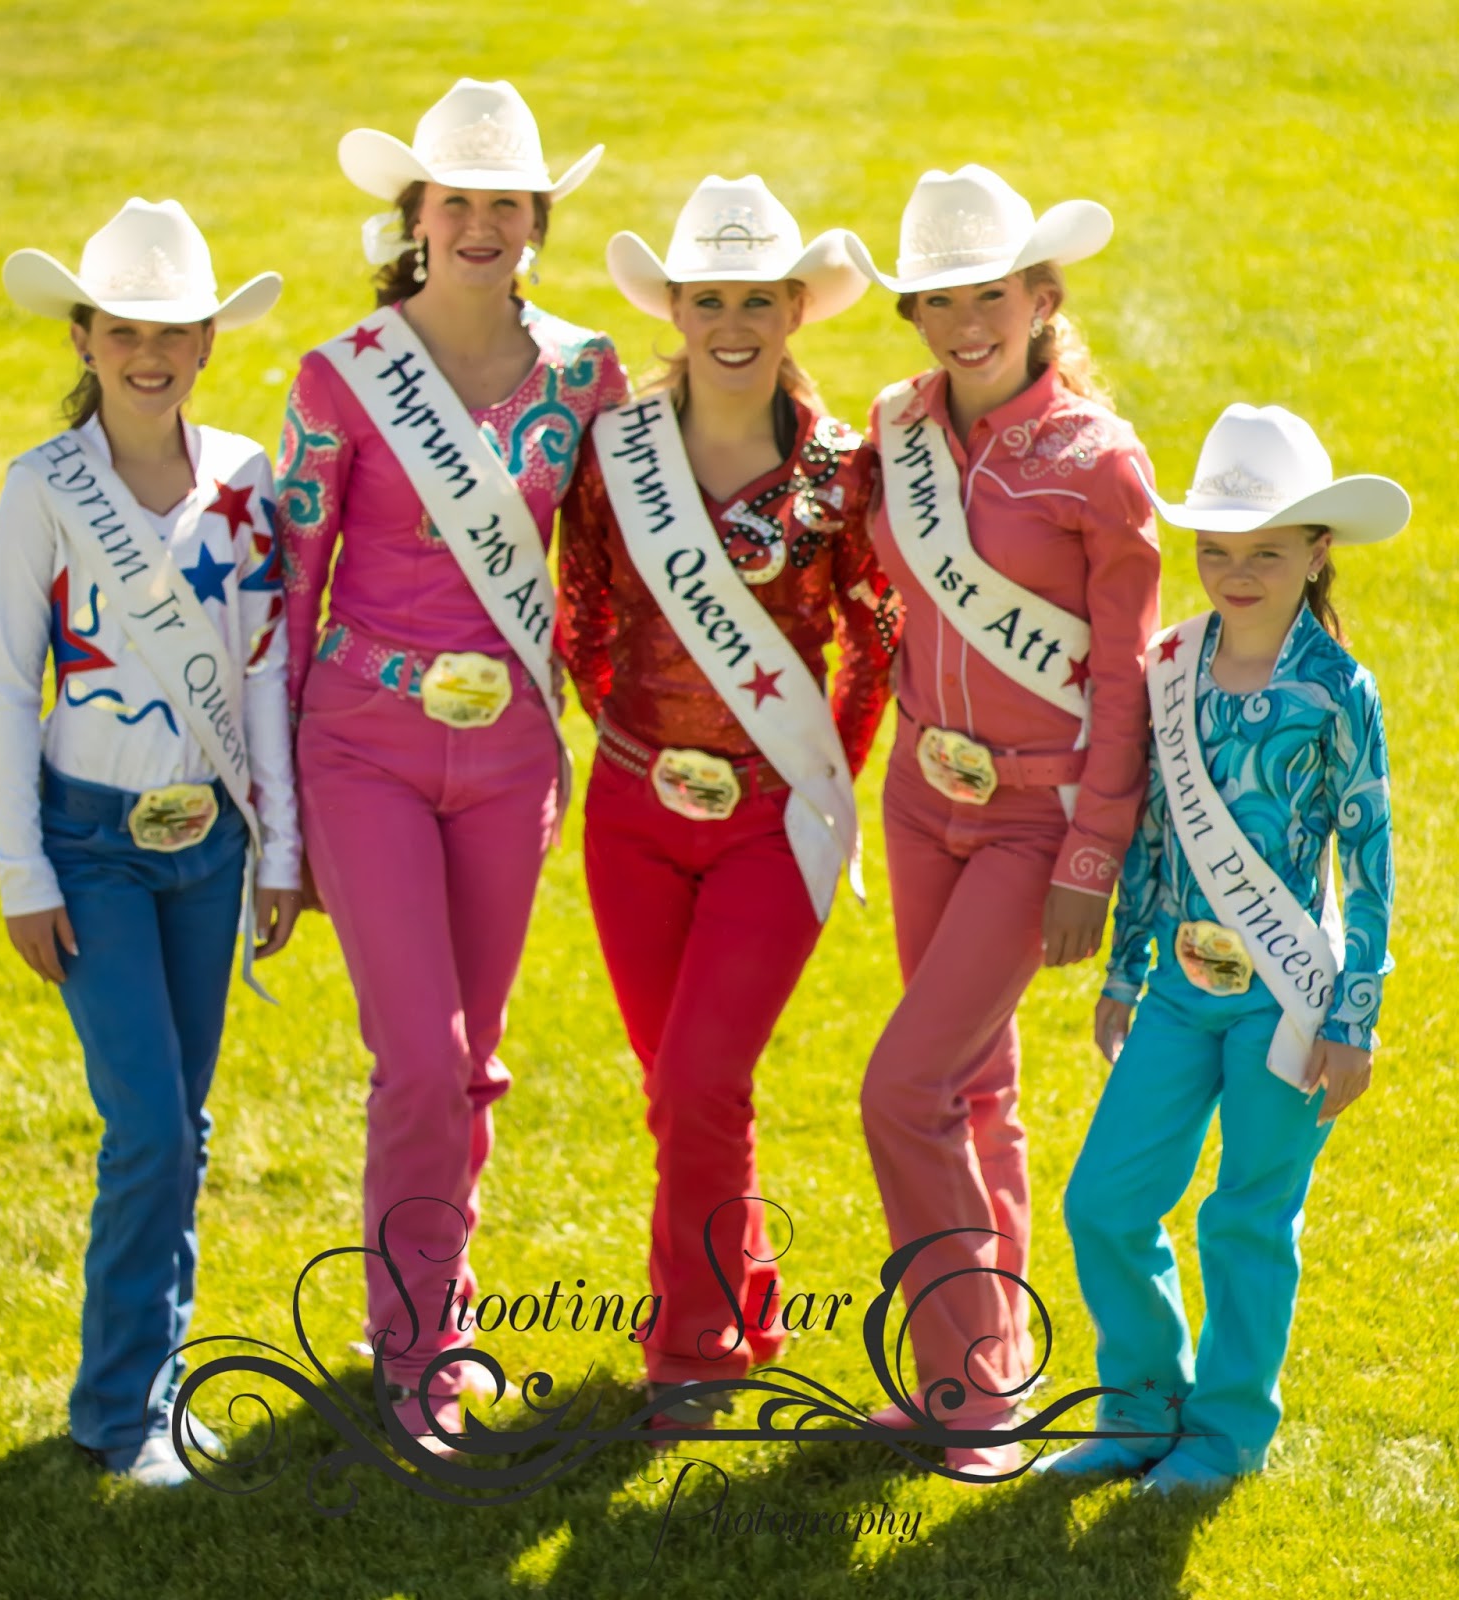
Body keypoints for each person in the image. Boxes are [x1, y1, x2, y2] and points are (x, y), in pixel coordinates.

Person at [280, 79, 625, 1447]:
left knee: (470, 1059)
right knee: (418, 1058)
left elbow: (625, 561)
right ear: (412, 217)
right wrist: (278, 813)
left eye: (503, 202)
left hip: (508, 765)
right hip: (359, 746)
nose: (479, 224)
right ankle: (411, 1341)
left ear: (535, 219)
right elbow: (287, 592)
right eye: (454, 200)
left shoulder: (585, 375)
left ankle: (433, 1315)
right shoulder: (337, 374)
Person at [557, 175, 901, 1428]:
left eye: (758, 297)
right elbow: (585, 614)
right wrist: (647, 743)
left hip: (774, 822)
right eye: (710, 298)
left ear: (797, 307)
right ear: (678, 309)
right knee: (678, 1086)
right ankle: (742, 1287)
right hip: (633, 814)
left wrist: (817, 774)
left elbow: (874, 639)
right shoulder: (616, 458)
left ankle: (691, 1351)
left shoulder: (836, 473)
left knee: (702, 1074)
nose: (734, 320)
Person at [843, 166, 1162, 1473]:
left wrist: (1092, 855)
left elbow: (1122, 677)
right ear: (913, 310)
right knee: (969, 1086)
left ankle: (974, 1395)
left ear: (1040, 296)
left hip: (1038, 823)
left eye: (993, 294)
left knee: (901, 1089)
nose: (967, 320)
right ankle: (987, 1360)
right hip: (922, 799)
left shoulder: (1100, 462)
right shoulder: (893, 429)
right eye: (942, 299)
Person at [1036, 404, 1408, 1493]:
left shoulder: (1339, 691)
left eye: (1262, 552)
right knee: (1103, 1199)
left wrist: (1352, 1015)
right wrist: (1120, 967)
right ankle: (1138, 1409)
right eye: (1213, 550)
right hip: (1178, 988)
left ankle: (1226, 1432)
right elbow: (1155, 828)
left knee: (1247, 1212)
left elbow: (1370, 859)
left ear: (1313, 553)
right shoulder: (1171, 666)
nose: (1232, 572)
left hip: (1288, 997)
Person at [0, 199, 300, 1486]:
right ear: (84, 335)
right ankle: (117, 1412)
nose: (150, 352)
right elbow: (11, 684)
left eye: (175, 329)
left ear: (211, 341)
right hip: (92, 844)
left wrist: (277, 846)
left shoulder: (246, 478)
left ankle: (155, 1388)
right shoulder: (41, 488)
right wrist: (24, 871)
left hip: (209, 841)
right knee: (148, 1131)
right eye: (124, 329)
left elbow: (268, 668)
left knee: (187, 1119)